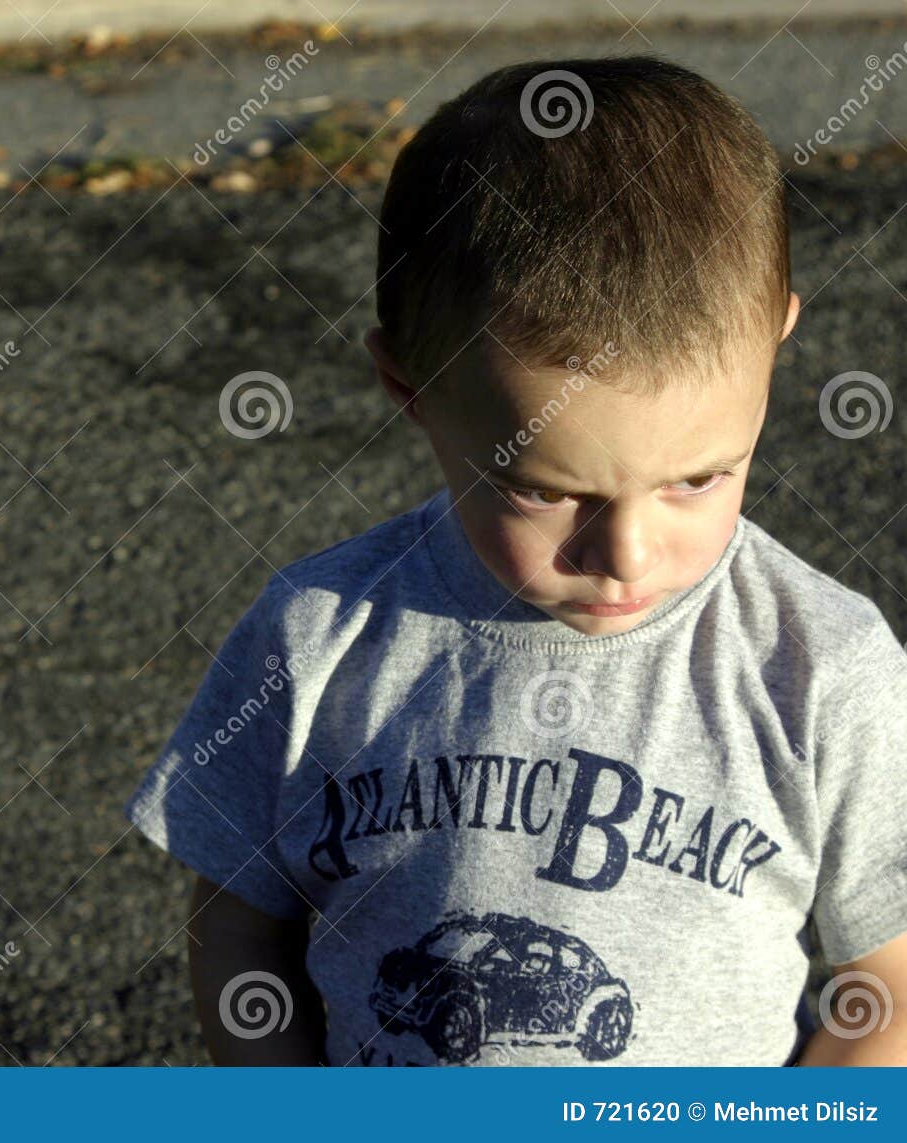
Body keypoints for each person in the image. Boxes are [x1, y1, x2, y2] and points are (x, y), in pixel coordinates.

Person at [123, 55, 907, 1066]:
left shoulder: (822, 670)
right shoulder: (319, 637)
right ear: (407, 385)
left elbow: (888, 989)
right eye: (545, 490)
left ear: (775, 343)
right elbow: (238, 925)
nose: (624, 554)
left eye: (697, 479)